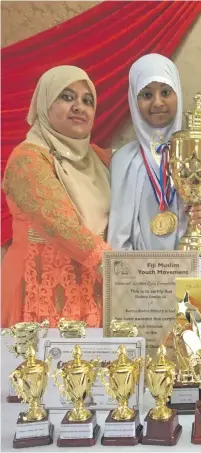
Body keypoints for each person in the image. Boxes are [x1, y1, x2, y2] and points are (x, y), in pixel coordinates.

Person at [1, 66, 111, 328]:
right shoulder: (27, 159)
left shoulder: (98, 159)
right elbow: (62, 226)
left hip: (93, 289)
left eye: (87, 100)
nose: (79, 107)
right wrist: (128, 271)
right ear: (44, 102)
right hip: (39, 286)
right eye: (66, 96)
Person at [107, 54, 201, 274]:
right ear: (133, 99)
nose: (157, 102)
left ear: (177, 94)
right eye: (147, 94)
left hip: (194, 273)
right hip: (142, 284)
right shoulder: (124, 161)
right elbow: (117, 238)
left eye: (166, 92)